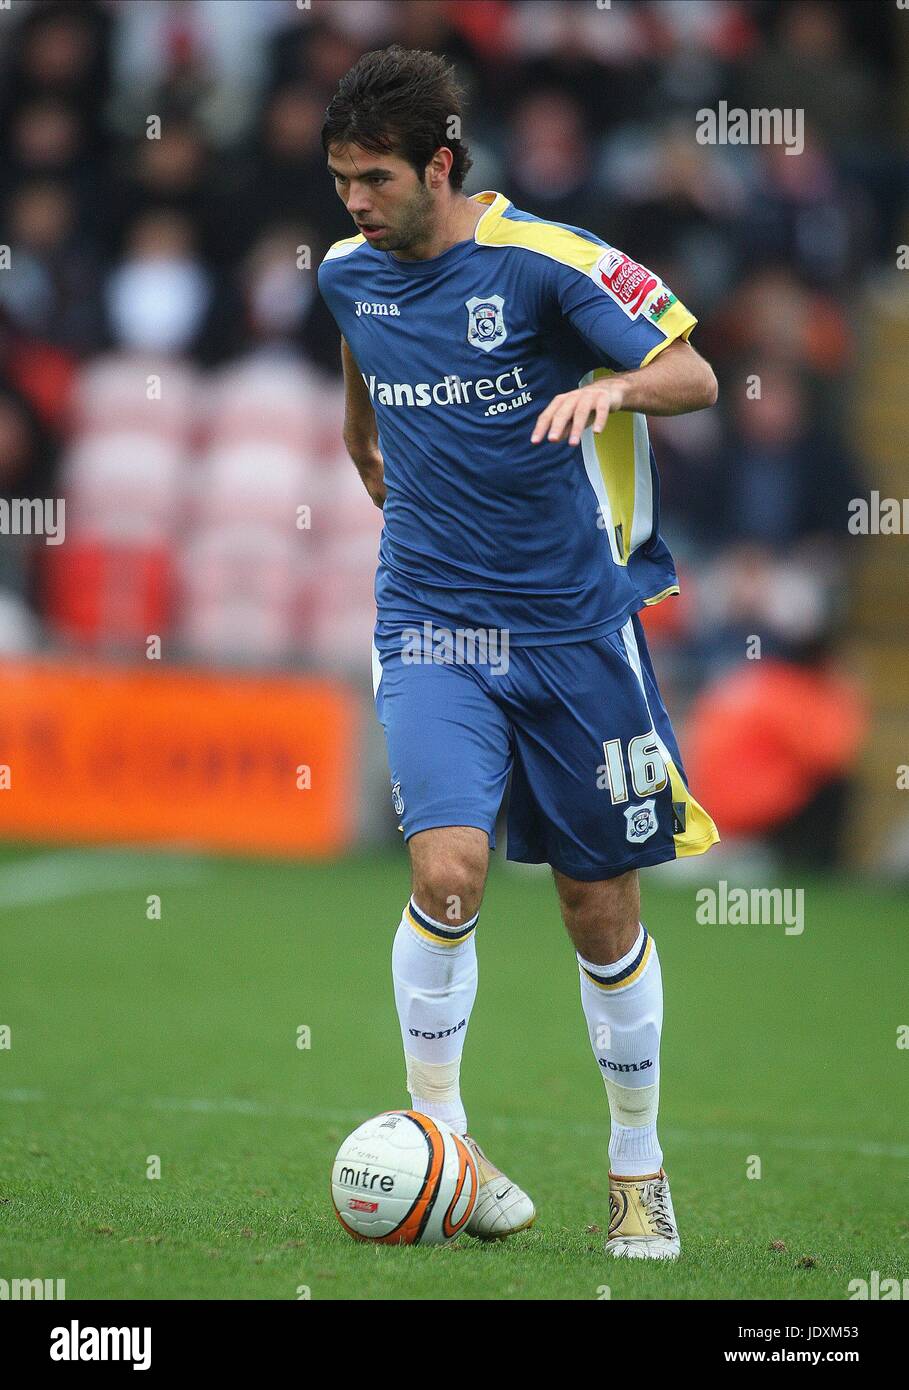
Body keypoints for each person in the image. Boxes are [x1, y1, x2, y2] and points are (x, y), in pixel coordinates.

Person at [318, 45, 719, 1259]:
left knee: (598, 908)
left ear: (440, 164)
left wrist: (615, 394)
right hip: (433, 624)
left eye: (375, 178)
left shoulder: (549, 262)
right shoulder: (349, 273)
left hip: (571, 629)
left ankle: (637, 1170)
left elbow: (694, 372)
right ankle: (448, 1142)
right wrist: (382, 476)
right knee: (447, 873)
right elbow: (363, 405)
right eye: (339, 179)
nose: (353, 203)